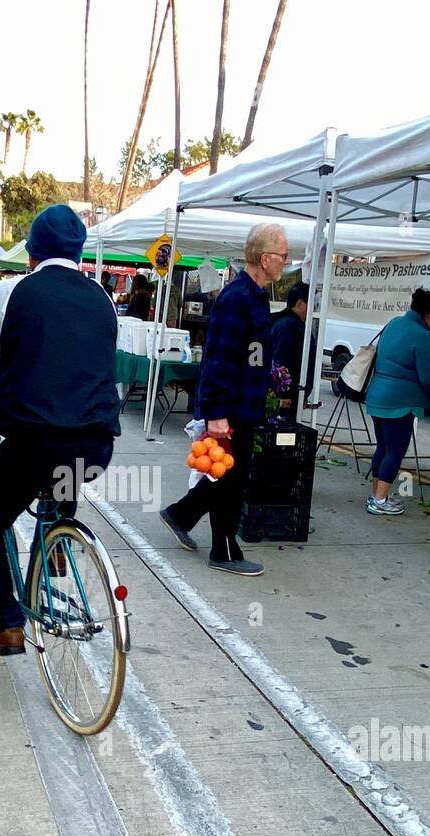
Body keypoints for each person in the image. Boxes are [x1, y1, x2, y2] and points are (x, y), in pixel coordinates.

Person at [0, 205, 120, 655]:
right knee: (59, 477)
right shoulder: (102, 298)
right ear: (79, 252)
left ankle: (7, 624)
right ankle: (54, 543)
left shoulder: (13, 293)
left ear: (32, 252)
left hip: (34, 441)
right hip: (95, 443)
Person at [158, 223, 290, 576]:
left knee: (227, 477)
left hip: (246, 405)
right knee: (230, 480)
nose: (286, 262)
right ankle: (221, 548)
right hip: (230, 408)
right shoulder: (236, 299)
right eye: (283, 256)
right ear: (265, 258)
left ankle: (187, 519)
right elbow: (217, 360)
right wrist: (216, 413)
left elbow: (252, 355)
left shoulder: (257, 297)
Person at [363, 288, 430, 515]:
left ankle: (375, 495)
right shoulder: (423, 337)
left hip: (377, 395)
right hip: (400, 402)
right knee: (395, 451)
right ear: (429, 314)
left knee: (382, 447)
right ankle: (379, 500)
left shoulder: (394, 324)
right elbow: (428, 376)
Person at [270, 281, 312, 412]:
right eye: (311, 304)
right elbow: (280, 362)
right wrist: (284, 395)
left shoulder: (288, 323)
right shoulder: (288, 326)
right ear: (300, 303)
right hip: (285, 399)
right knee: (284, 431)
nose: (312, 309)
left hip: (291, 397)